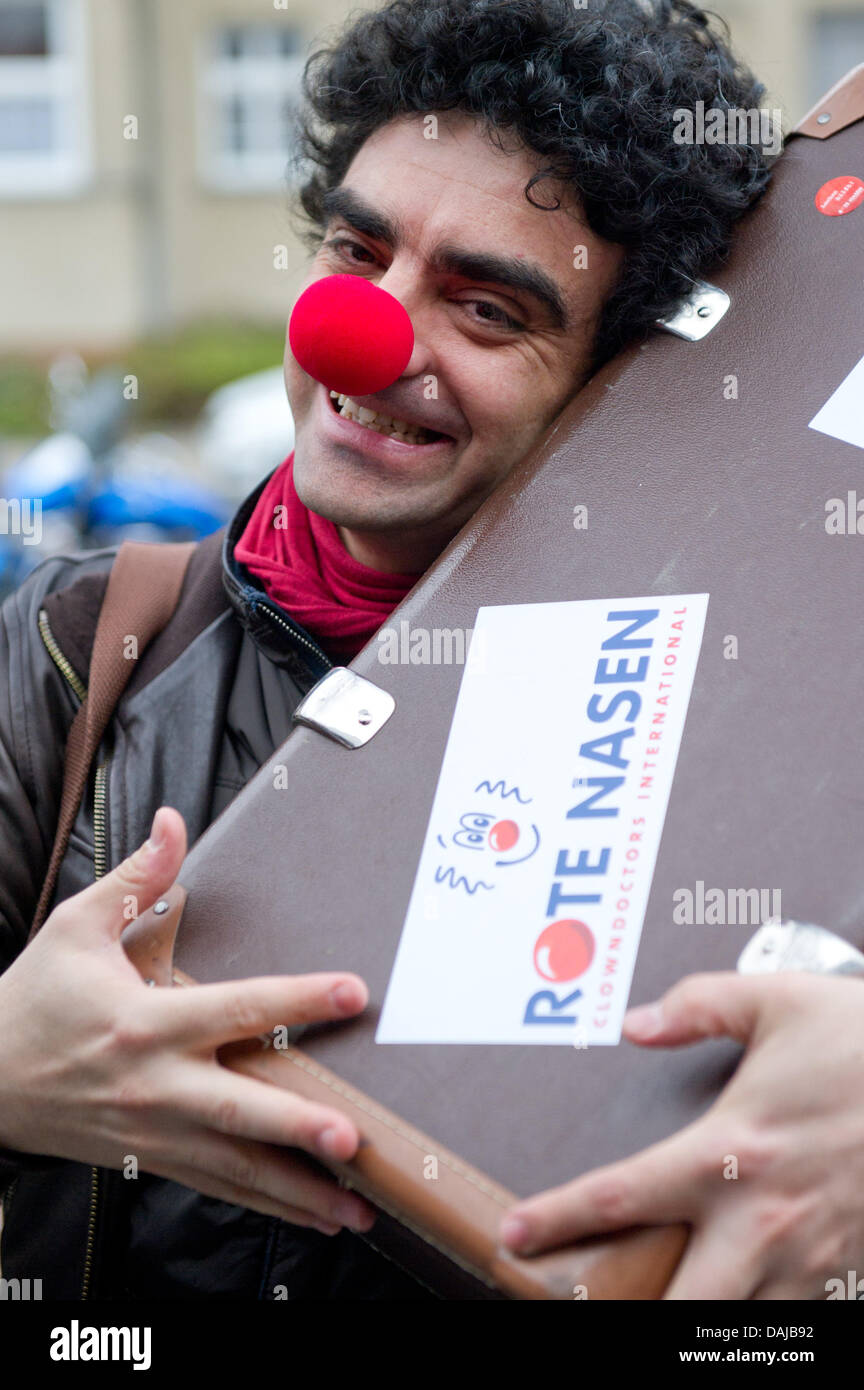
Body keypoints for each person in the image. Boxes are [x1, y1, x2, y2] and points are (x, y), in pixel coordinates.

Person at [1, 0, 831, 1302]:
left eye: (487, 307)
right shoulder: (67, 650)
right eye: (357, 247)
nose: (368, 335)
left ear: (618, 386)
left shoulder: (775, 724)